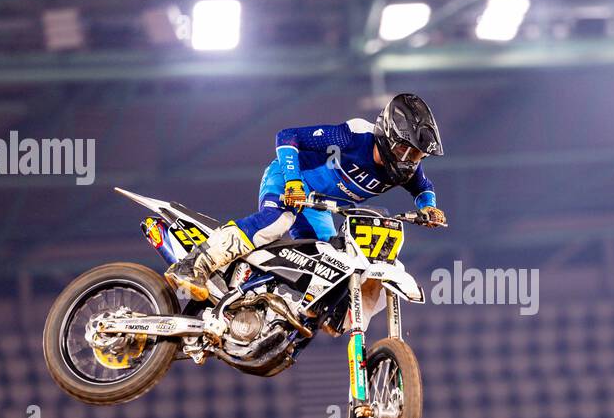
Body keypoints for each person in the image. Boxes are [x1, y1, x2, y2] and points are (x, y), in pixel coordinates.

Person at [165, 93, 446, 302]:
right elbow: (287, 137)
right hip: (289, 180)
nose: (410, 161)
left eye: (417, 155)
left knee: (334, 266)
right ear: (387, 135)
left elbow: (423, 187)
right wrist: (294, 182)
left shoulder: (407, 169)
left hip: (319, 208)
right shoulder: (354, 136)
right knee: (276, 221)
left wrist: (429, 208)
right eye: (404, 151)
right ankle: (194, 264)